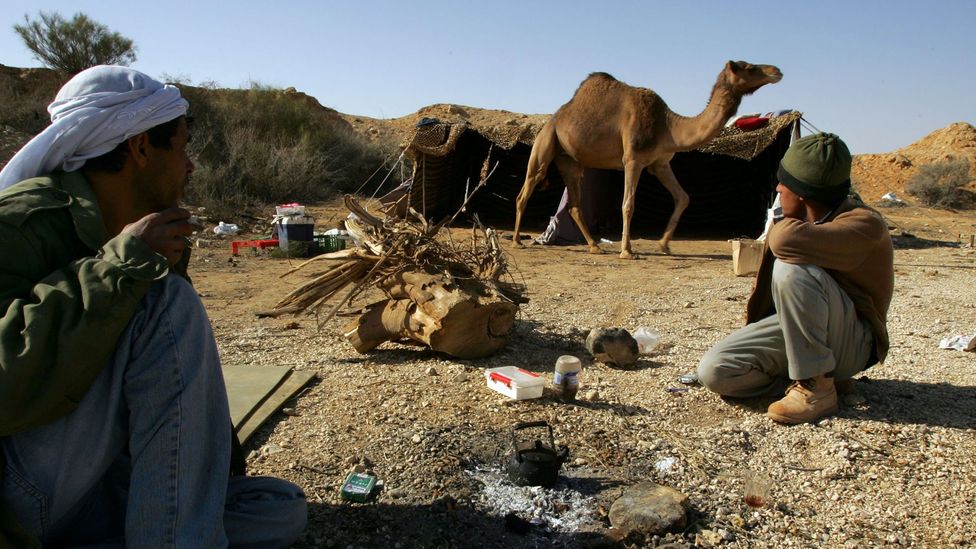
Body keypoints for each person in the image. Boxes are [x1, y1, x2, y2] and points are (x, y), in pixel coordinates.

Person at [0, 66, 306, 547]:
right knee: (166, 302)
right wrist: (121, 267)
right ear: (142, 148)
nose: (190, 167)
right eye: (181, 149)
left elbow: (169, 381)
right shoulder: (21, 223)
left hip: (91, 482)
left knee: (278, 508)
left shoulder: (140, 229)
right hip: (21, 487)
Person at [696, 132, 894, 424]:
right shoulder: (802, 222)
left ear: (801, 193)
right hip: (806, 330)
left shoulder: (864, 224)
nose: (777, 187)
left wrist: (781, 221)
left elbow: (784, 240)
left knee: (793, 270)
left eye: (783, 183)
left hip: (852, 341)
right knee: (716, 371)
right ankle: (814, 381)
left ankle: (818, 387)